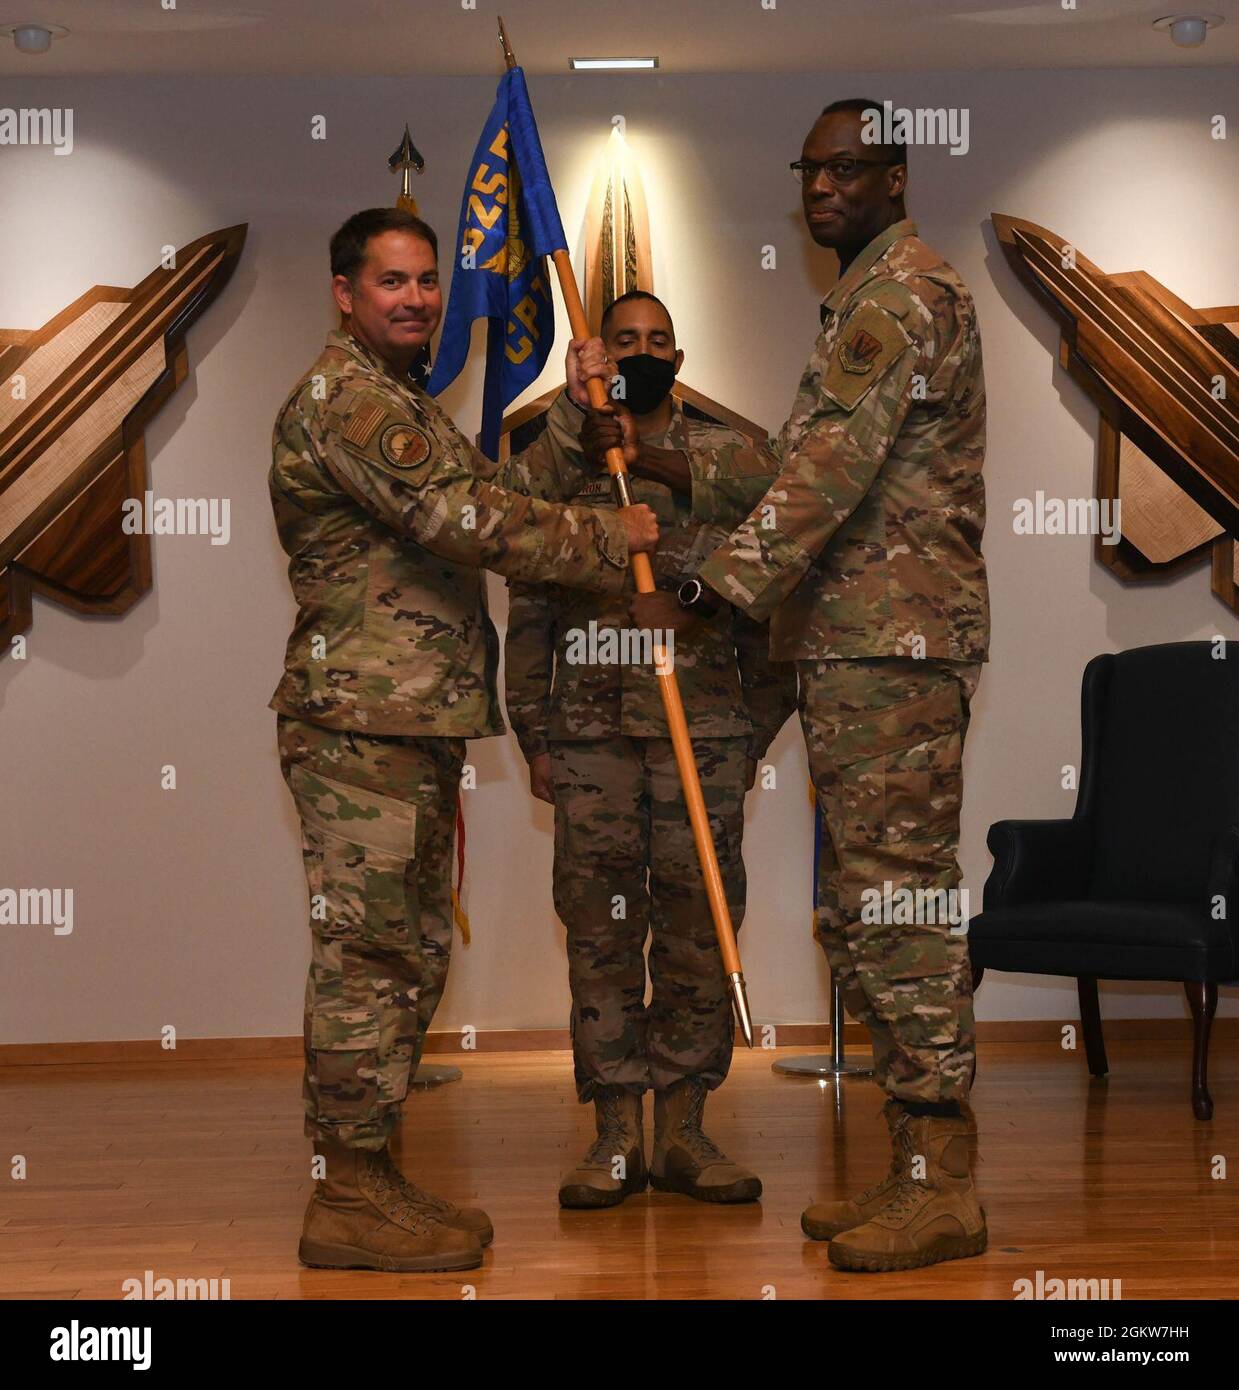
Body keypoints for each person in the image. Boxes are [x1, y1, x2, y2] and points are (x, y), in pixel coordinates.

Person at [618, 99, 991, 1272]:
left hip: (892, 645)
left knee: (901, 909)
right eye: (811, 172)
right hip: (855, 642)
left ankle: (943, 1184)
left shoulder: (897, 297)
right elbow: (805, 468)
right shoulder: (866, 297)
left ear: (896, 177)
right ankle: (909, 1170)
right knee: (865, 909)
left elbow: (823, 476)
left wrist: (706, 590)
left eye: (848, 171)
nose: (823, 189)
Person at [269, 207, 659, 1272]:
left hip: (408, 722)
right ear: (344, 293)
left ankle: (369, 1175)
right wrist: (606, 536)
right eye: (391, 281)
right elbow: (466, 527)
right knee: (368, 957)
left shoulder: (405, 404)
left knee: (406, 953)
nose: (417, 298)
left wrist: (581, 421)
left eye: (428, 280)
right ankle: (345, 1191)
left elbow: (490, 495)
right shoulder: (349, 403)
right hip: (362, 725)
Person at [503, 290, 795, 1208]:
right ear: (599, 357)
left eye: (656, 338)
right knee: (598, 927)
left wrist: (754, 728)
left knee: (698, 928)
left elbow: (772, 591)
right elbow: (529, 600)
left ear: (680, 350)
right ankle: (614, 1134)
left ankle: (685, 1130)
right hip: (590, 734)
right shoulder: (566, 462)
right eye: (623, 339)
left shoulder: (730, 461)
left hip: (699, 729)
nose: (641, 350)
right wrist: (533, 731)